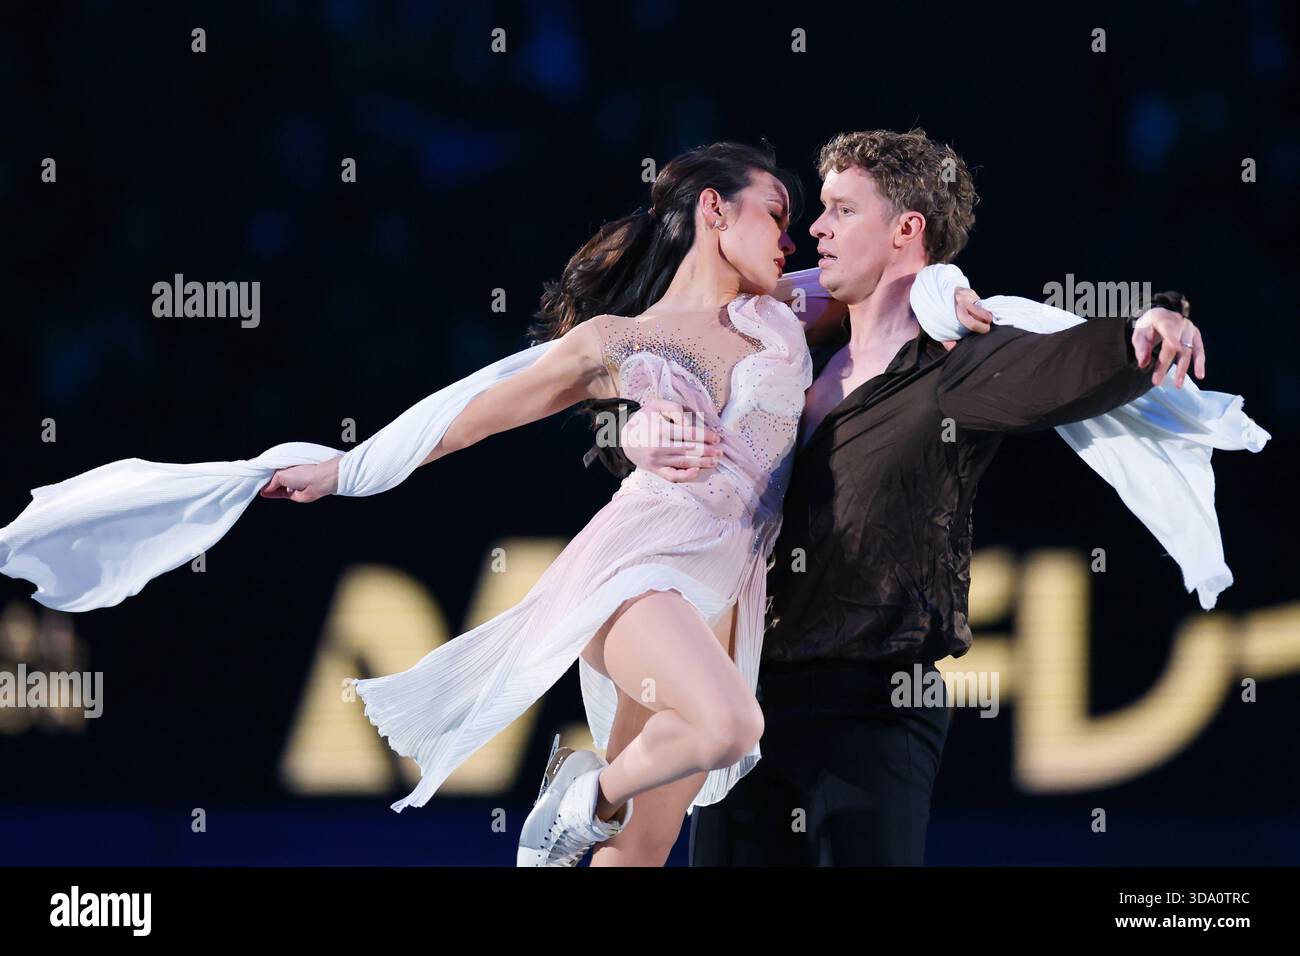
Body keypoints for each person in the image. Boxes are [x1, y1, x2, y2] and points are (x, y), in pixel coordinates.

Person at [589, 128, 1264, 866]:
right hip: (746, 694)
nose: (815, 228)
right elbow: (656, 364)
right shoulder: (787, 350)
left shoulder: (958, 368)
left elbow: (1061, 363)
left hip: (871, 711)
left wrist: (1149, 324)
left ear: (907, 230)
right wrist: (633, 433)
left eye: (842, 211)